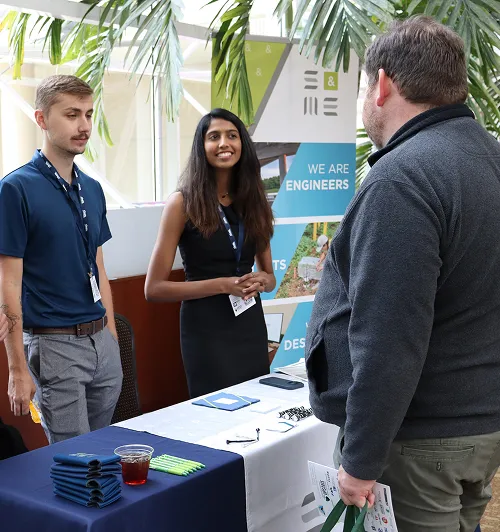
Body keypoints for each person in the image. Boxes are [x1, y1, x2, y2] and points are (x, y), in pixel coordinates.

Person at [306, 16, 500, 531]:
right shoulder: (489, 158)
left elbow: (390, 337)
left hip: (419, 441)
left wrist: (361, 459)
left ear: (382, 84)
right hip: (475, 425)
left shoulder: (404, 178)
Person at [0, 75, 122, 443]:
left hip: (101, 343)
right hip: (54, 345)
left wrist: (112, 338)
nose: (84, 126)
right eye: (72, 115)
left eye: (88, 114)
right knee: (76, 460)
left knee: (100, 451)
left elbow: (99, 267)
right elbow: (8, 283)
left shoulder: (92, 189)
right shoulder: (16, 188)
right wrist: (16, 368)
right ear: (41, 119)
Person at [145, 108, 275, 398]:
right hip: (205, 329)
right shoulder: (182, 203)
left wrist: (262, 281)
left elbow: (270, 277)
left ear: (242, 144)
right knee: (217, 410)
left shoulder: (255, 201)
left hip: (249, 324)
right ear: (202, 147)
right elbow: (153, 289)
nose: (224, 143)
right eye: (214, 137)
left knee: (256, 408)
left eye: (232, 136)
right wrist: (224, 285)